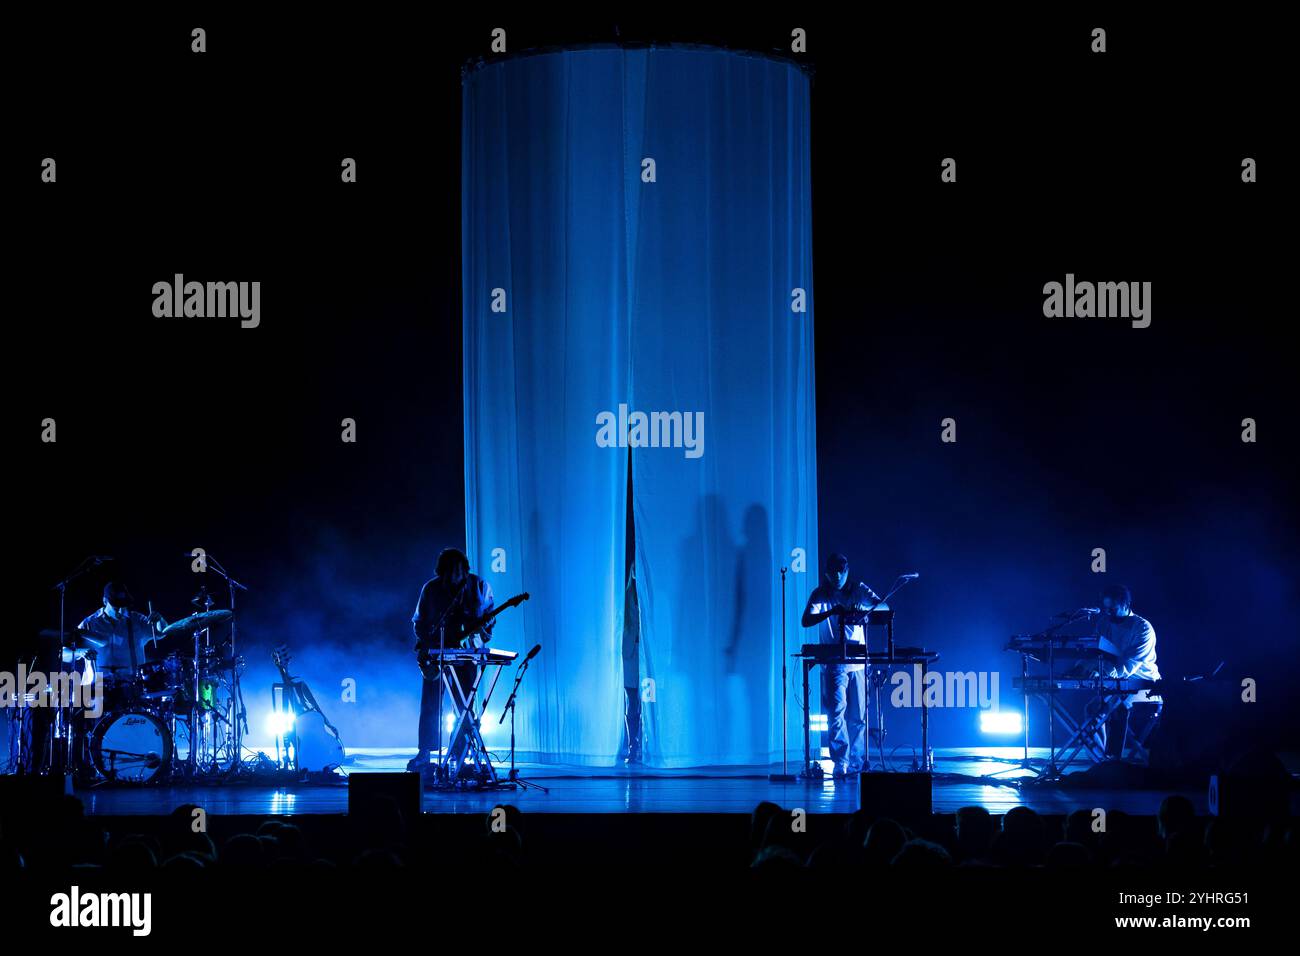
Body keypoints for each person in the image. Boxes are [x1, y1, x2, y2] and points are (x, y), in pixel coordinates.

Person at [408, 548, 495, 773]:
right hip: (436, 656)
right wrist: (427, 645)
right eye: (451, 570)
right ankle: (425, 753)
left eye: (459, 570)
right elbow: (419, 621)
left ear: (465, 569)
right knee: (430, 705)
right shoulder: (431, 589)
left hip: (466, 656)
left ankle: (461, 753)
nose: (456, 575)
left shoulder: (479, 586)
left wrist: (483, 629)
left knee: (464, 706)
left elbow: (489, 618)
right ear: (443, 571)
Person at [801, 553, 880, 778]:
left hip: (857, 663)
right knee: (836, 713)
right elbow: (805, 620)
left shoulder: (859, 589)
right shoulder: (820, 594)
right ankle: (840, 761)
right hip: (835, 662)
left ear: (847, 571)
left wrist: (862, 612)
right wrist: (832, 611)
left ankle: (856, 762)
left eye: (841, 572)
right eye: (833, 572)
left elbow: (883, 607)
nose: (837, 576)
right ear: (827, 573)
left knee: (859, 717)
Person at [1095, 584, 1161, 759]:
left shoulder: (1143, 628)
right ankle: (1100, 759)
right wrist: (1082, 668)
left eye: (1113, 609)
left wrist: (1103, 674)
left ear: (1126, 605)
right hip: (1117, 682)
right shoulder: (1103, 623)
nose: (1108, 613)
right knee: (1093, 710)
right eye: (1106, 608)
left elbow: (1129, 665)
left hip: (1146, 684)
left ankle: (1113, 760)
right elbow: (1097, 653)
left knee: (1116, 704)